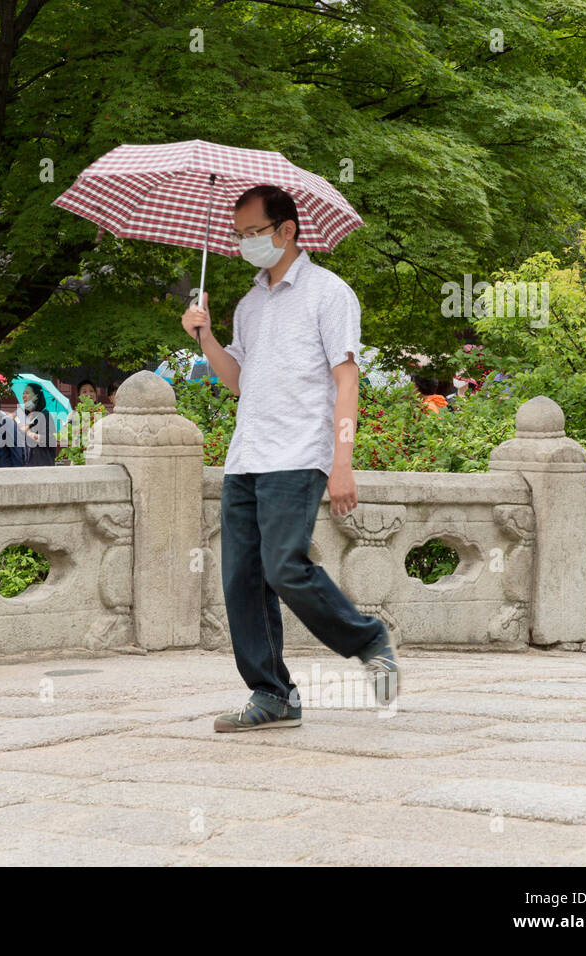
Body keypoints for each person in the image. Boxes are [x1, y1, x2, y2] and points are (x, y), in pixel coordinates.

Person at [181, 183, 399, 732]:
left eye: (255, 233)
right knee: (241, 581)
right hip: (246, 457)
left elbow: (346, 379)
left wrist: (341, 461)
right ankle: (272, 693)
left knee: (284, 568)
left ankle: (367, 637)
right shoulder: (249, 305)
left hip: (299, 455)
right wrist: (205, 338)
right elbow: (238, 382)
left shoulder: (329, 294)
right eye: (239, 236)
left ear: (288, 230)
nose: (246, 243)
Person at [18, 382, 57, 467]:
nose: (23, 396)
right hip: (28, 466)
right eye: (23, 393)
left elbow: (49, 440)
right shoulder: (26, 418)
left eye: (27, 393)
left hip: (42, 466)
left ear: (36, 397)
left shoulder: (45, 415)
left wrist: (28, 432)